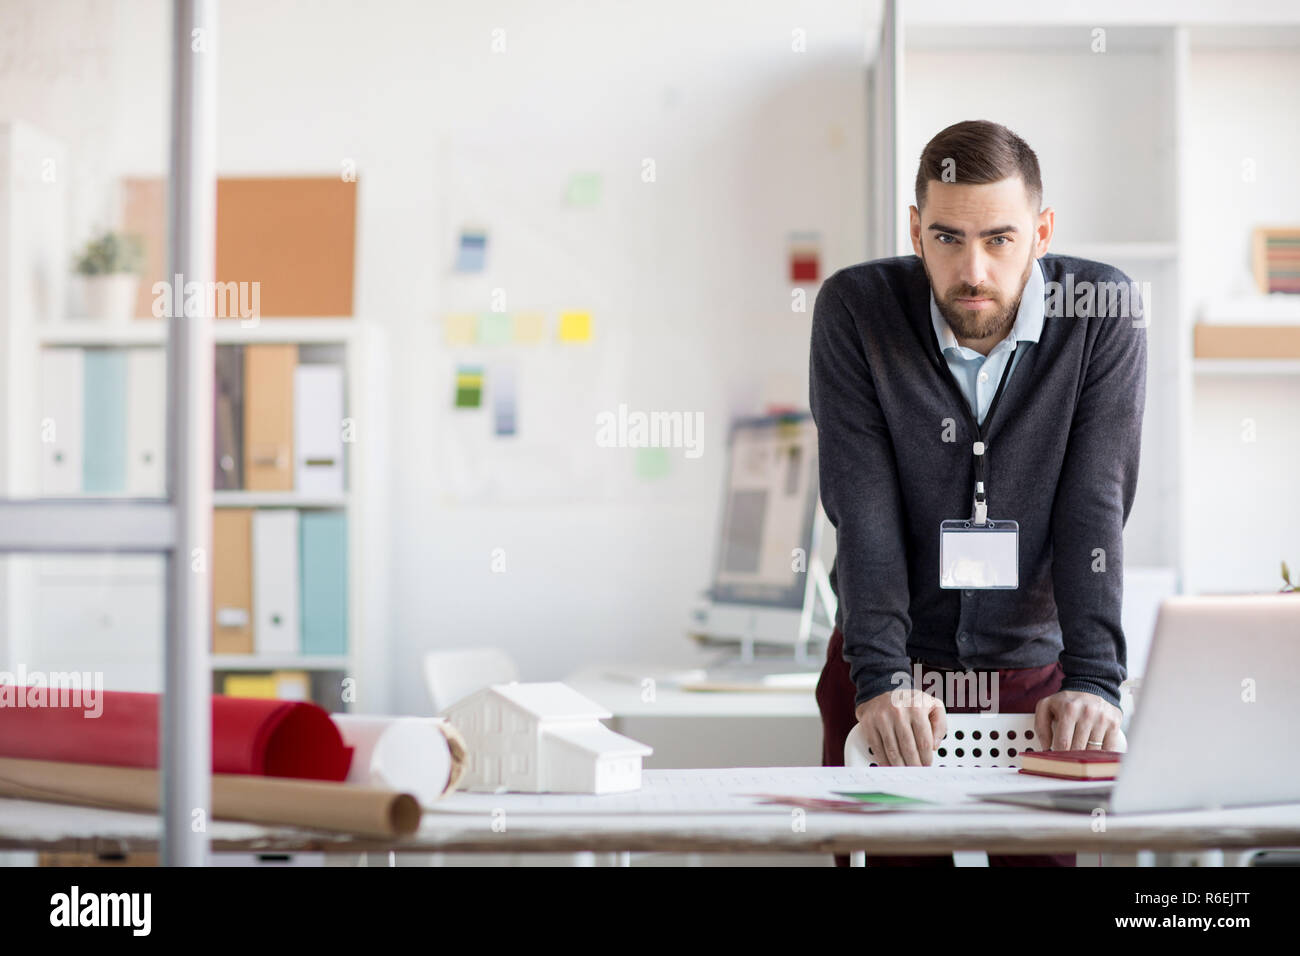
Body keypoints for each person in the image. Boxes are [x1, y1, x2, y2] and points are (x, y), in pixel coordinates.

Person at [809, 119, 1146, 867]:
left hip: (1033, 667)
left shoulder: (1102, 314)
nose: (973, 272)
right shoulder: (856, 310)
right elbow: (862, 514)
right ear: (915, 230)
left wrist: (1095, 679)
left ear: (1041, 231)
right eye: (947, 238)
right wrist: (884, 677)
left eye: (999, 239)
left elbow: (1096, 505)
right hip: (890, 669)